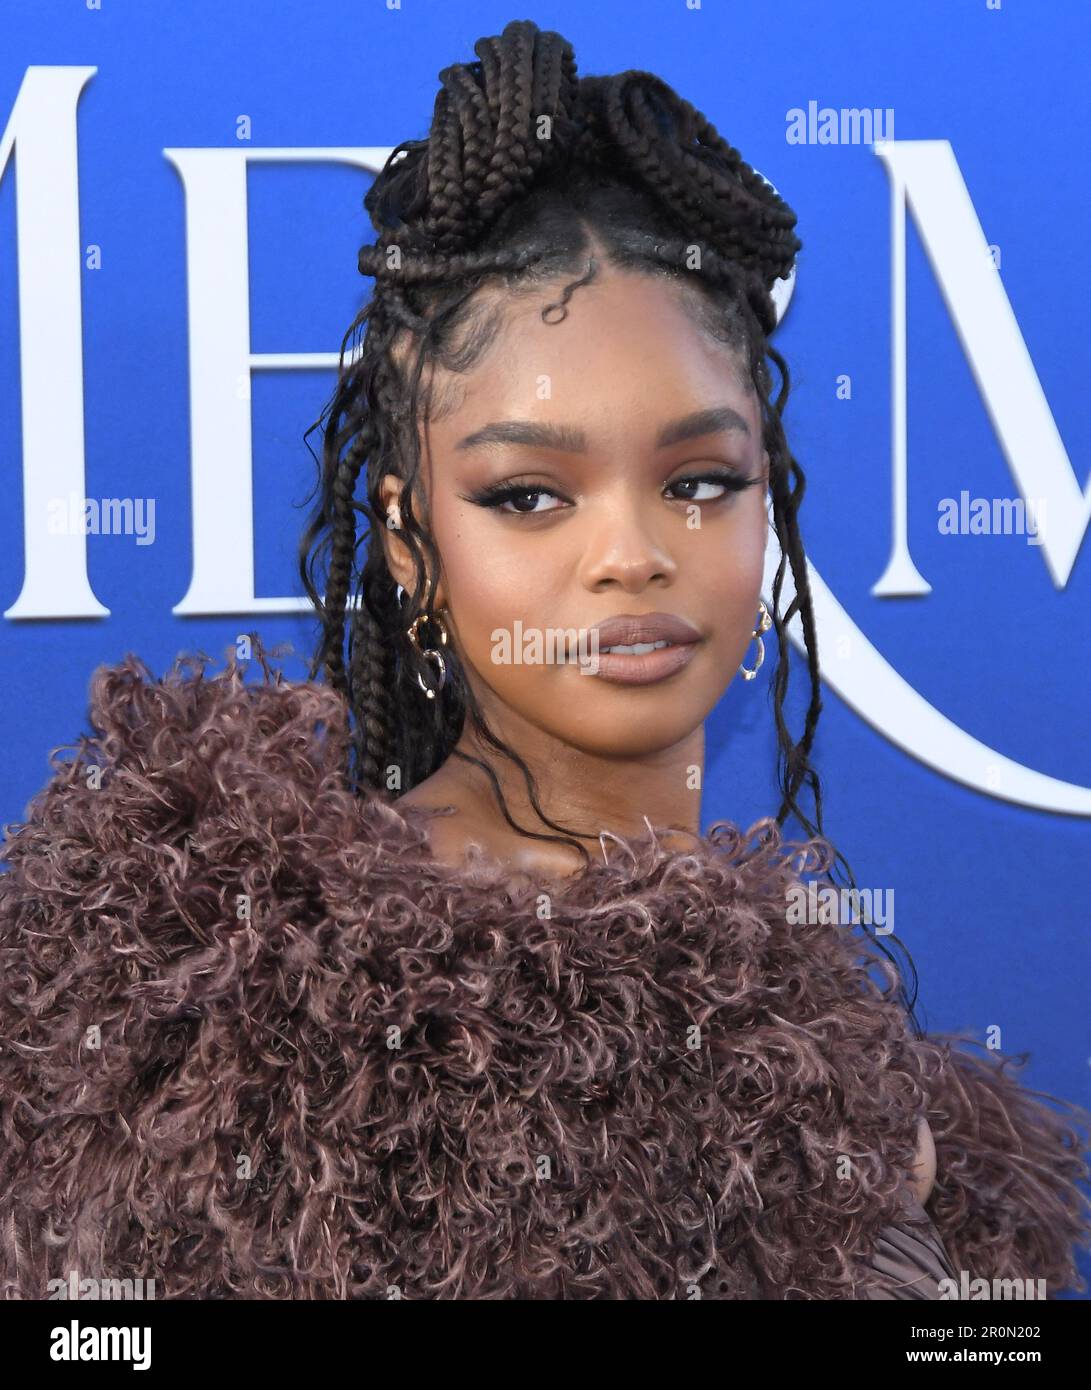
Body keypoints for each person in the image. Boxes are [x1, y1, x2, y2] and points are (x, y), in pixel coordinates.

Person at [1, 19, 1088, 1301]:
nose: (631, 553)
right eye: (527, 494)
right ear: (408, 538)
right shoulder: (236, 1020)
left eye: (696, 479)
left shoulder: (840, 1041)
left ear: (768, 502)